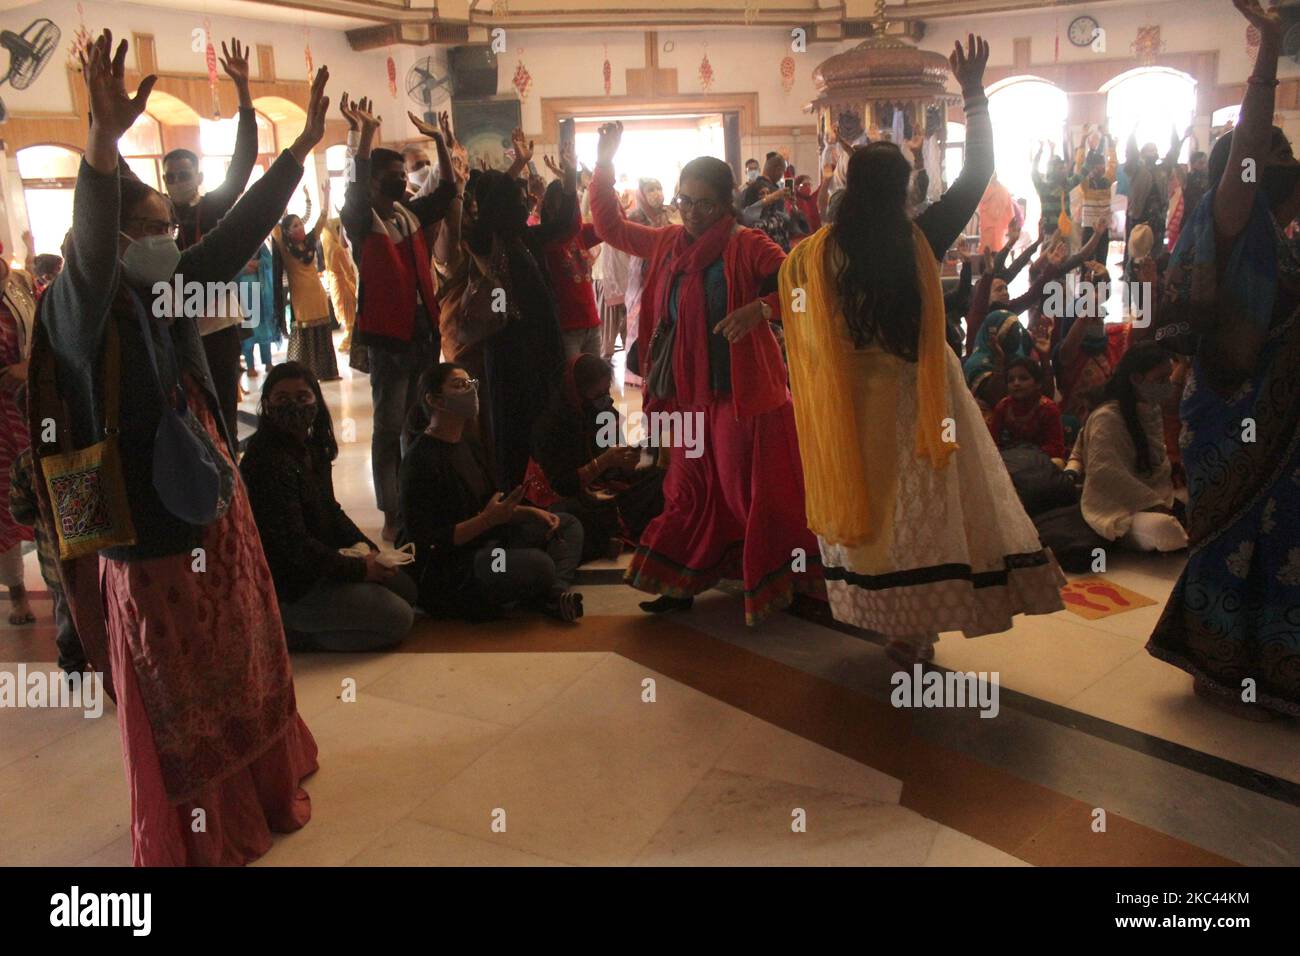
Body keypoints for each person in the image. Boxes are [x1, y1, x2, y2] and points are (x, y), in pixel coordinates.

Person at [26, 32, 328, 866]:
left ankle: (261, 784)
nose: (170, 236)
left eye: (167, 223)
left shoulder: (165, 283)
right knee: (181, 684)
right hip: (147, 524)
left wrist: (296, 154)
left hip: (207, 497)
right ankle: (199, 823)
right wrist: (98, 146)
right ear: (113, 239)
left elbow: (233, 236)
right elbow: (87, 260)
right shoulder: (80, 309)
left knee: (238, 651)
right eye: (151, 227)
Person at [779, 34, 1064, 666]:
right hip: (924, 396)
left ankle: (889, 617)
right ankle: (918, 626)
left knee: (875, 509)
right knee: (927, 507)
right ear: (906, 189)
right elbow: (978, 172)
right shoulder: (921, 235)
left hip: (855, 402)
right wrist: (974, 92)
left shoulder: (821, 252)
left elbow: (799, 314)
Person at [589, 123, 822, 625]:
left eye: (704, 204)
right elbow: (611, 229)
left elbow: (803, 290)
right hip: (685, 400)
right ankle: (678, 583)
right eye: (685, 201)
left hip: (737, 399)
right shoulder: (670, 242)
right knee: (687, 490)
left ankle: (786, 579)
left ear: (727, 204)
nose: (692, 213)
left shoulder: (748, 244)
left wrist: (761, 309)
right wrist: (605, 163)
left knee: (742, 493)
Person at [1146, 0, 1300, 720]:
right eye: (1275, 155)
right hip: (1236, 415)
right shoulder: (1232, 221)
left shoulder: (1280, 239)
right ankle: (1215, 660)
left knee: (1280, 547)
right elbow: (1246, 153)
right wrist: (1267, 54)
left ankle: (1263, 665)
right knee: (1237, 540)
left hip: (1278, 428)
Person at [340, 99, 457, 542]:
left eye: (402, 175)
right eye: (390, 175)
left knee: (416, 422)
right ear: (372, 183)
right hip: (390, 342)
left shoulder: (408, 215)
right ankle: (391, 512)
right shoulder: (361, 220)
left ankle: (415, 500)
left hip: (423, 336)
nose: (401, 181)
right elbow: (351, 190)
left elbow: (446, 193)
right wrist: (364, 138)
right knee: (389, 428)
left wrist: (441, 142)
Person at [241, 362, 416, 650]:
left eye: (302, 397)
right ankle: (291, 632)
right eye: (282, 398)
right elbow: (293, 546)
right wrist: (358, 570)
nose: (293, 406)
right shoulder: (265, 463)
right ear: (267, 404)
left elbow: (331, 511)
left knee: (407, 590)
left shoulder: (312, 448)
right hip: (294, 586)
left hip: (323, 563)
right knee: (399, 618)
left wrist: (368, 551)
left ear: (316, 401)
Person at [399, 363, 585, 622]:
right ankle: (545, 589)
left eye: (471, 383)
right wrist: (486, 521)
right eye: (459, 385)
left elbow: (491, 504)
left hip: (493, 541)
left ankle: (554, 592)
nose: (471, 391)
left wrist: (528, 512)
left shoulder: (467, 443)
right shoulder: (420, 460)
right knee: (538, 564)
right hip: (462, 564)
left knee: (567, 523)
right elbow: (428, 541)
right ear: (434, 400)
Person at [161, 38, 257, 444]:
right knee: (183, 417)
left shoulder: (212, 206)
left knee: (222, 414)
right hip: (171, 323)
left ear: (199, 177)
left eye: (185, 174)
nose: (179, 182)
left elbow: (243, 162)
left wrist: (243, 92)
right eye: (172, 177)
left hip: (216, 325)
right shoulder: (157, 215)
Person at [464, 154, 569, 490]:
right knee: (513, 424)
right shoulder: (484, 240)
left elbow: (564, 224)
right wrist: (512, 168)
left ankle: (547, 486)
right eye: (516, 200)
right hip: (510, 346)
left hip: (540, 343)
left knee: (545, 416)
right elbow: (491, 208)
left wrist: (567, 182)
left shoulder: (525, 239)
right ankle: (515, 493)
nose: (523, 205)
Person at [527, 354, 665, 560]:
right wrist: (605, 461)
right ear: (577, 393)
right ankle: (604, 539)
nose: (606, 398)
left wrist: (629, 459)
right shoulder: (551, 426)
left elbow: (616, 468)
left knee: (659, 477)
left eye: (607, 390)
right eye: (597, 394)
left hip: (602, 488)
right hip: (566, 496)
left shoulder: (605, 413)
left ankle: (610, 536)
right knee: (570, 517)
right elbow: (564, 485)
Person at [1065, 343, 1186, 552]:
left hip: (1157, 496)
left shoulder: (1152, 409)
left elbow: (1159, 461)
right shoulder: (1107, 417)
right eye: (1160, 379)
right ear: (1136, 379)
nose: (1168, 385)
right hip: (1116, 507)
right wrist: (1153, 503)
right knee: (1165, 529)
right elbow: (1107, 474)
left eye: (1169, 377)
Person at [539, 153, 604, 358]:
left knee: (595, 384)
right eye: (564, 203)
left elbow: (609, 224)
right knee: (573, 386)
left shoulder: (580, 234)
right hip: (567, 328)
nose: (571, 208)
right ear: (549, 208)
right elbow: (571, 219)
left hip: (592, 324)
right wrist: (568, 176)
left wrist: (599, 178)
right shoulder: (546, 241)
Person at [0, 257, 36, 624]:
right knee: (3, 509)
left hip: (33, 411)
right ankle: (17, 594)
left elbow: (47, 339)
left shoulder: (20, 286)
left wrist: (29, 367)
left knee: (49, 495)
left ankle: (72, 591)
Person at [273, 185, 338, 382]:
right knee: (305, 334)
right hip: (300, 297)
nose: (299, 228)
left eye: (300, 224)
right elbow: (275, 227)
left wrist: (326, 195)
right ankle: (304, 374)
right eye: (293, 226)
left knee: (323, 332)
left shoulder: (310, 242)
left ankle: (327, 372)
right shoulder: (285, 247)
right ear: (286, 231)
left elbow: (322, 218)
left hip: (317, 293)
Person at [987, 356, 1065, 463]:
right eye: (1011, 380)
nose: (1016, 383)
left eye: (1023, 378)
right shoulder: (1003, 406)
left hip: (1040, 462)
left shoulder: (1048, 409)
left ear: (1038, 384)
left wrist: (1024, 455)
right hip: (1009, 461)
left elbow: (1056, 448)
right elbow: (991, 441)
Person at [239, 240, 277, 378]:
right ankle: (250, 366)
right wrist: (243, 268)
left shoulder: (259, 243)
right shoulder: (234, 243)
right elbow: (230, 266)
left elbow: (269, 261)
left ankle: (268, 362)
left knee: (264, 328)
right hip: (244, 292)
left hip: (261, 292)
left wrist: (257, 264)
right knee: (249, 330)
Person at [321, 217, 358, 352]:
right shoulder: (338, 249)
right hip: (342, 284)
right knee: (350, 314)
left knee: (344, 313)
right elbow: (347, 273)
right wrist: (355, 285)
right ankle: (349, 340)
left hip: (335, 284)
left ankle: (348, 339)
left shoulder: (328, 248)